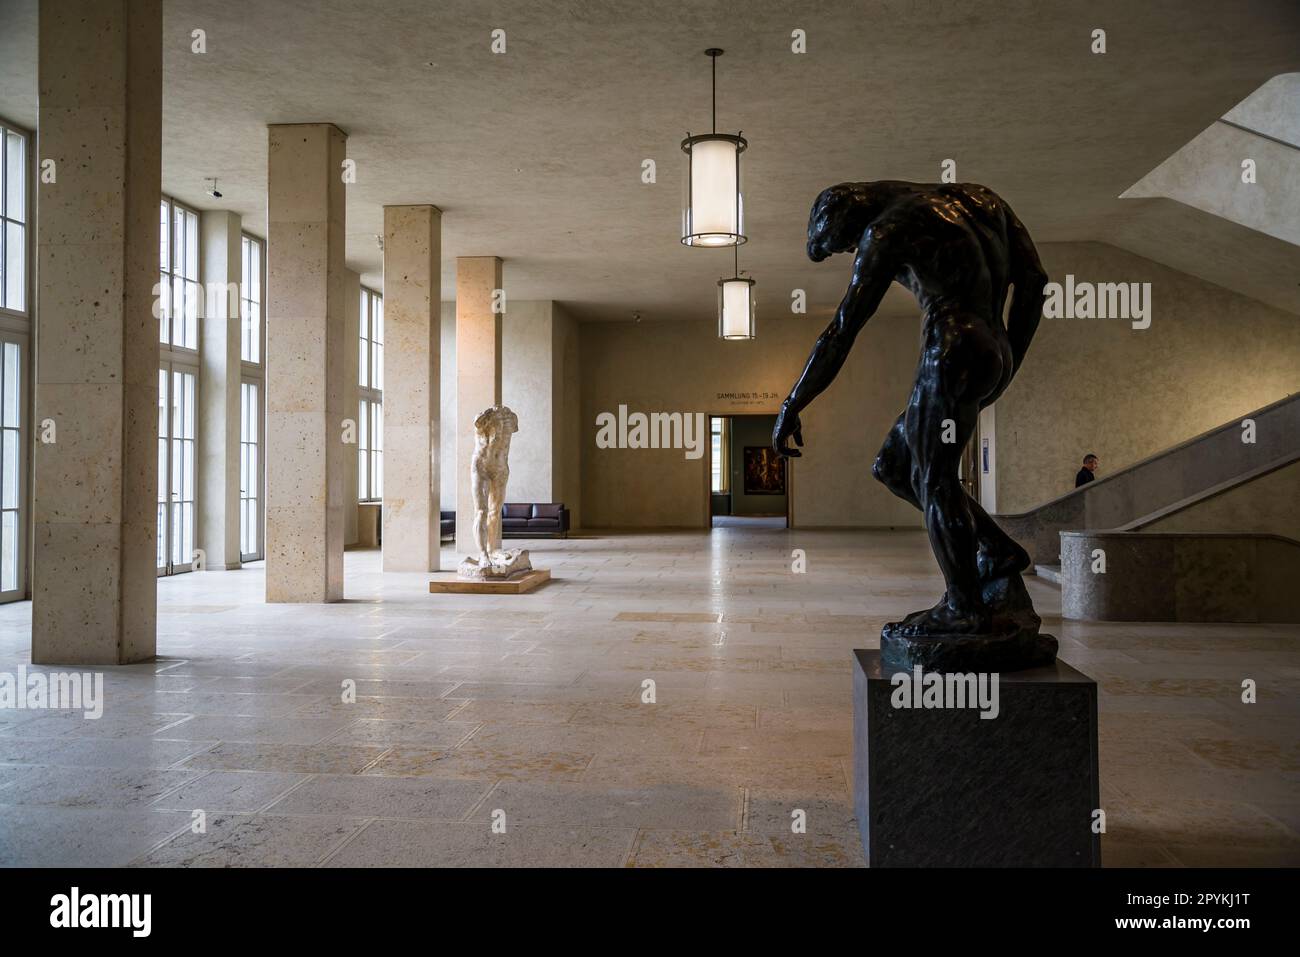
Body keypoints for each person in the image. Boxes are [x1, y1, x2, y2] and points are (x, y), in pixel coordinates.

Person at [773, 181, 1048, 637]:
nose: (853, 253)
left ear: (851, 220)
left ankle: (964, 607)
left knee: (935, 478)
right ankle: (997, 549)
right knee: (894, 466)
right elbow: (1035, 282)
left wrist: (793, 402)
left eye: (845, 247)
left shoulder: (885, 232)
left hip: (951, 348)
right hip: (990, 345)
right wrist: (1007, 358)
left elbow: (843, 329)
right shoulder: (981, 200)